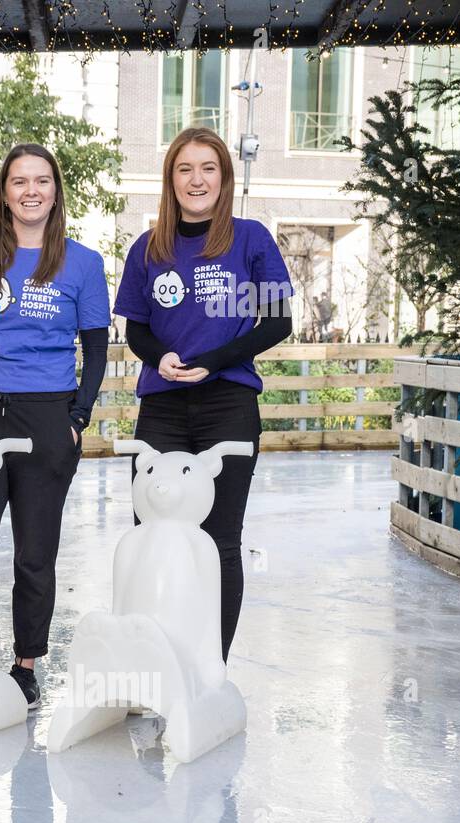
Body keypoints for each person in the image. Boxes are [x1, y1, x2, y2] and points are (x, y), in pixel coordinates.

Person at [0, 143, 111, 710]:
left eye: (41, 181)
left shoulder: (82, 263)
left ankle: (25, 664)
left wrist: (78, 416)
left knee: (35, 551)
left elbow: (97, 346)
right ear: (4, 193)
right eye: (19, 182)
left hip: (46, 414)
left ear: (55, 191)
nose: (31, 191)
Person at [113, 126, 293, 662]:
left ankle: (209, 666)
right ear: (170, 180)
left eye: (208, 168)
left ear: (224, 177)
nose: (197, 179)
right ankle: (153, 659)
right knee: (154, 534)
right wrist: (158, 358)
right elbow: (137, 329)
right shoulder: (148, 248)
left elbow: (278, 321)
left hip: (228, 406)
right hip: (163, 408)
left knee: (219, 541)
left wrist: (215, 360)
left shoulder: (250, 239)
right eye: (184, 169)